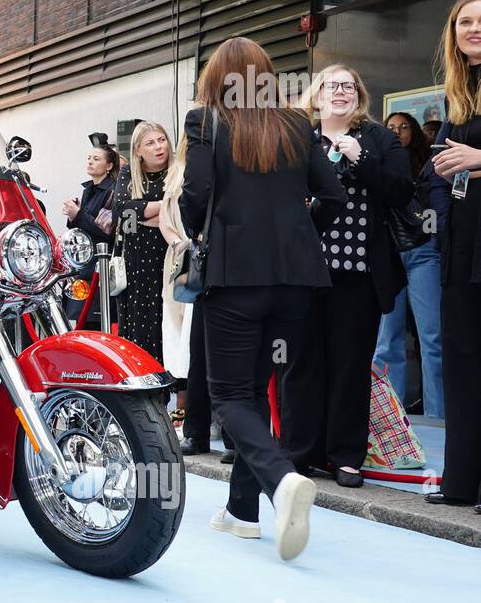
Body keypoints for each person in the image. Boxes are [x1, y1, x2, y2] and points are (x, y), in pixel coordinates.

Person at [179, 37, 344, 561]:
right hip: (296, 279)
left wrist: (196, 230)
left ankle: (280, 482)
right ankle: (241, 513)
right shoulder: (297, 124)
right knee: (255, 389)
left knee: (229, 396)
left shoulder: (205, 120)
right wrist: (298, 234)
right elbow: (333, 196)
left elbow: (196, 196)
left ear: (215, 77)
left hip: (235, 274)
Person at [279, 66, 412, 488]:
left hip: (360, 272)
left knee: (350, 365)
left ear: (359, 96)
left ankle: (345, 456)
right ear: (316, 96)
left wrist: (360, 158)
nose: (340, 92)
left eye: (349, 86)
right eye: (331, 86)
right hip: (304, 270)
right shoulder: (297, 139)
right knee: (302, 364)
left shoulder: (378, 139)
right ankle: (300, 452)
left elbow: (402, 191)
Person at [426, 0, 481, 510]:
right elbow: (438, 170)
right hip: (461, 246)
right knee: (462, 361)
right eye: (465, 21)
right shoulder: (458, 97)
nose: (474, 28)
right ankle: (461, 481)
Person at [374, 112, 444, 417]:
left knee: (432, 338)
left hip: (423, 250)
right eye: (391, 127)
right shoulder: (377, 160)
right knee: (387, 340)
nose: (398, 131)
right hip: (389, 252)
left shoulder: (426, 163)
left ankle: (438, 416)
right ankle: (390, 420)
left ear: (414, 131)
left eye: (404, 127)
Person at [118, 121, 171, 363]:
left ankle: (178, 385)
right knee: (140, 319)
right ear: (139, 150)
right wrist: (164, 207)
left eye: (162, 140)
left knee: (168, 316)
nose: (159, 147)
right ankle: (145, 377)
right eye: (151, 143)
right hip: (137, 260)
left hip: (169, 255)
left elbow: (183, 208)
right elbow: (122, 209)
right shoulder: (129, 172)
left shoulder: (178, 170)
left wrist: (143, 215)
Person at [63, 135, 121, 327]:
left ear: (109, 166)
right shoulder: (89, 189)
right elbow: (84, 225)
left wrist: (78, 214)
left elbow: (106, 229)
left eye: (96, 159)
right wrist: (73, 217)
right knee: (83, 322)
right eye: (89, 157)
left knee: (95, 322)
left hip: (100, 265)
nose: (90, 161)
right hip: (85, 263)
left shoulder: (112, 190)